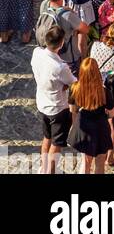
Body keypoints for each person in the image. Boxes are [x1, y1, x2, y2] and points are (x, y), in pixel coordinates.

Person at [32, 26, 76, 174]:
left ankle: (43, 168)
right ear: (62, 43)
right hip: (58, 108)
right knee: (56, 144)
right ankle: (51, 171)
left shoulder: (36, 53)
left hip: (42, 103)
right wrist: (63, 86)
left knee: (46, 138)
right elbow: (73, 82)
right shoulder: (60, 67)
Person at [68, 57, 114, 174]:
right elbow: (112, 112)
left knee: (86, 162)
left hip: (83, 125)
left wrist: (74, 125)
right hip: (100, 128)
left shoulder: (74, 87)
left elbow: (72, 109)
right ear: (96, 72)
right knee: (99, 164)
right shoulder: (104, 91)